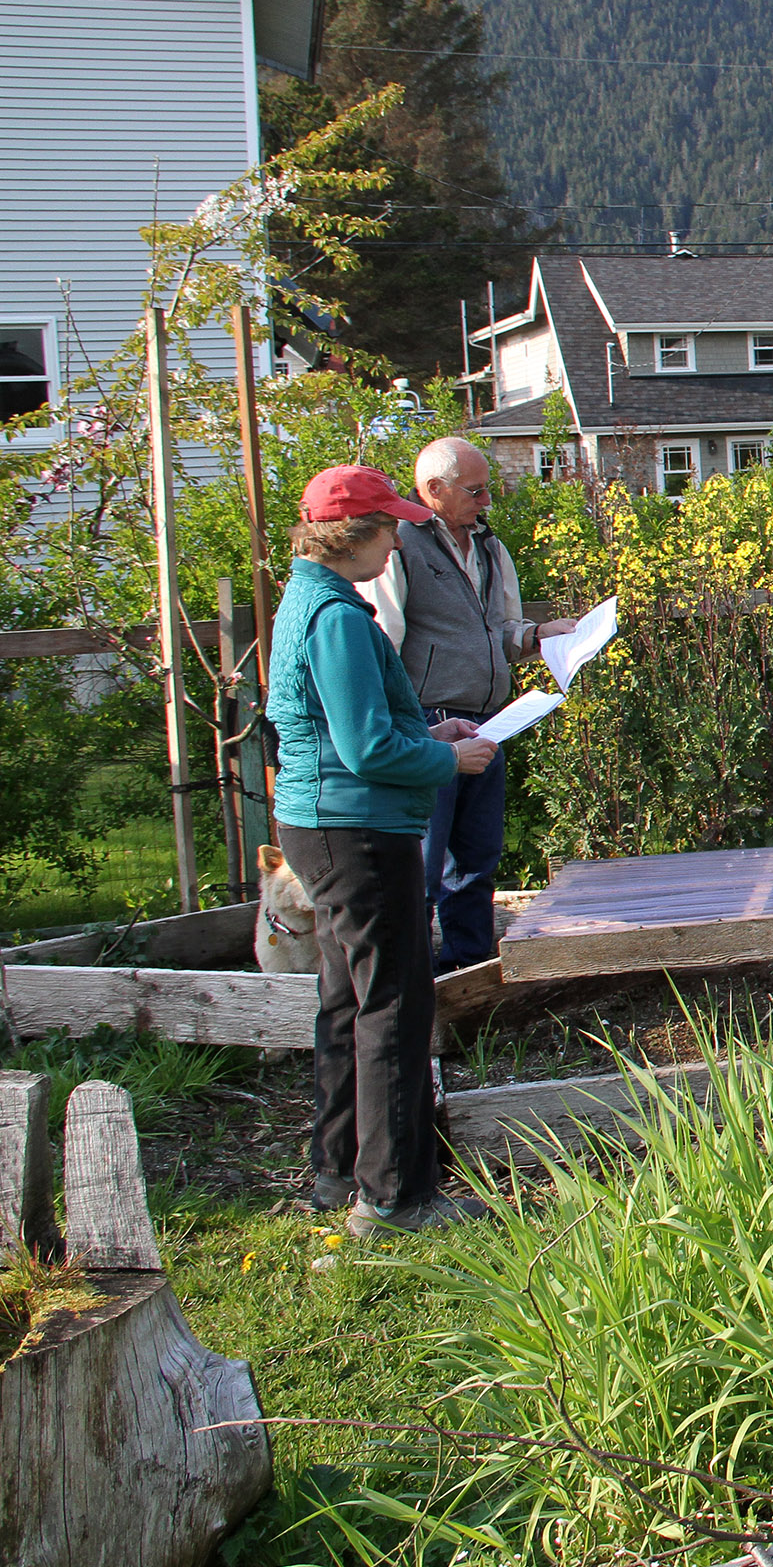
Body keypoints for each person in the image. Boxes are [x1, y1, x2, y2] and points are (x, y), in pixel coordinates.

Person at [269, 464, 501, 1236]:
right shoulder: (336, 618)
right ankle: (397, 1197)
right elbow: (365, 749)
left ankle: (339, 1170)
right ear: (355, 534)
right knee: (397, 1004)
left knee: (347, 999)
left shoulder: (308, 599)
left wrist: (428, 733)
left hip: (324, 824)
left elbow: (346, 724)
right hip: (359, 829)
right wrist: (448, 759)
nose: (399, 542)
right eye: (390, 528)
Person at [367, 436, 579, 971]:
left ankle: (467, 972)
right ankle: (411, 981)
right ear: (434, 489)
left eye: (488, 490)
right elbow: (384, 641)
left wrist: (539, 635)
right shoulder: (399, 546)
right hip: (427, 723)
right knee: (422, 863)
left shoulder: (488, 546)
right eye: (475, 491)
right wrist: (401, 728)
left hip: (488, 723)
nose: (486, 501)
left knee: (476, 859)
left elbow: (498, 631)